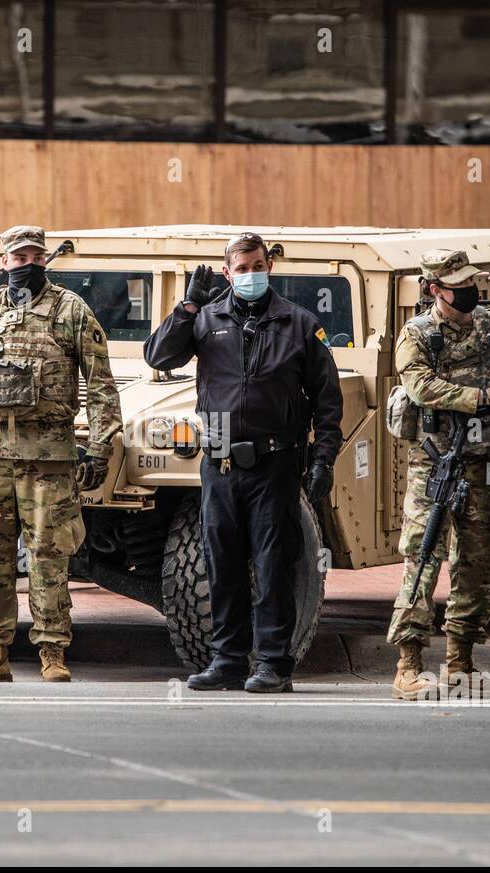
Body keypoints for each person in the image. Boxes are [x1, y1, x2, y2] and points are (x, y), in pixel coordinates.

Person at [144, 233, 342, 693]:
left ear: (268, 267)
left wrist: (323, 459)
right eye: (242, 268)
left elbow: (327, 401)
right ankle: (228, 660)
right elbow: (159, 355)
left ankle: (274, 663)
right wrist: (187, 308)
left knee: (273, 564)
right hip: (219, 463)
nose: (251, 274)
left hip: (275, 462)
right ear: (226, 273)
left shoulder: (298, 324)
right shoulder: (207, 319)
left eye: (258, 266)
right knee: (222, 563)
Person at [0, 225, 122, 683]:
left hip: (49, 457)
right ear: (4, 263)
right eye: (19, 258)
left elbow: (101, 385)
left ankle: (52, 652)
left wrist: (100, 447)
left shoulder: (71, 310)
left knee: (48, 554)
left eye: (36, 257)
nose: (28, 265)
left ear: (45, 261)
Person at [386, 249, 490, 699]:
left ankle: (460, 663)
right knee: (422, 560)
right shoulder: (417, 334)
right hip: (435, 463)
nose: (468, 292)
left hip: (484, 463)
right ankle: (408, 665)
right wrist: (486, 396)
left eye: (470, 284)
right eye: (457, 286)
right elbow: (420, 387)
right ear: (433, 289)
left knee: (478, 564)